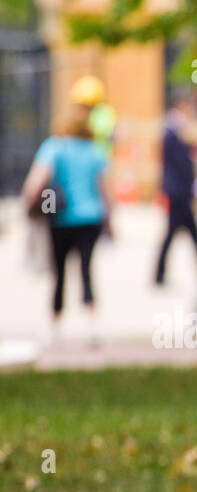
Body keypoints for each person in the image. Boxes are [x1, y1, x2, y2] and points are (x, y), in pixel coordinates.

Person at [20, 105, 111, 336]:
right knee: (86, 270)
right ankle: (92, 323)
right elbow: (105, 191)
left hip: (60, 218)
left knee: (59, 272)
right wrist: (110, 221)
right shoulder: (94, 151)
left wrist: (30, 207)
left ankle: (55, 324)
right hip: (91, 217)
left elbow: (35, 183)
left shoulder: (54, 147)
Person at [155, 97, 197, 285]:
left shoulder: (176, 132)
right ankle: (161, 273)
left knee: (182, 234)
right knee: (178, 234)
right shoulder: (172, 132)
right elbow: (180, 165)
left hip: (179, 192)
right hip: (178, 193)